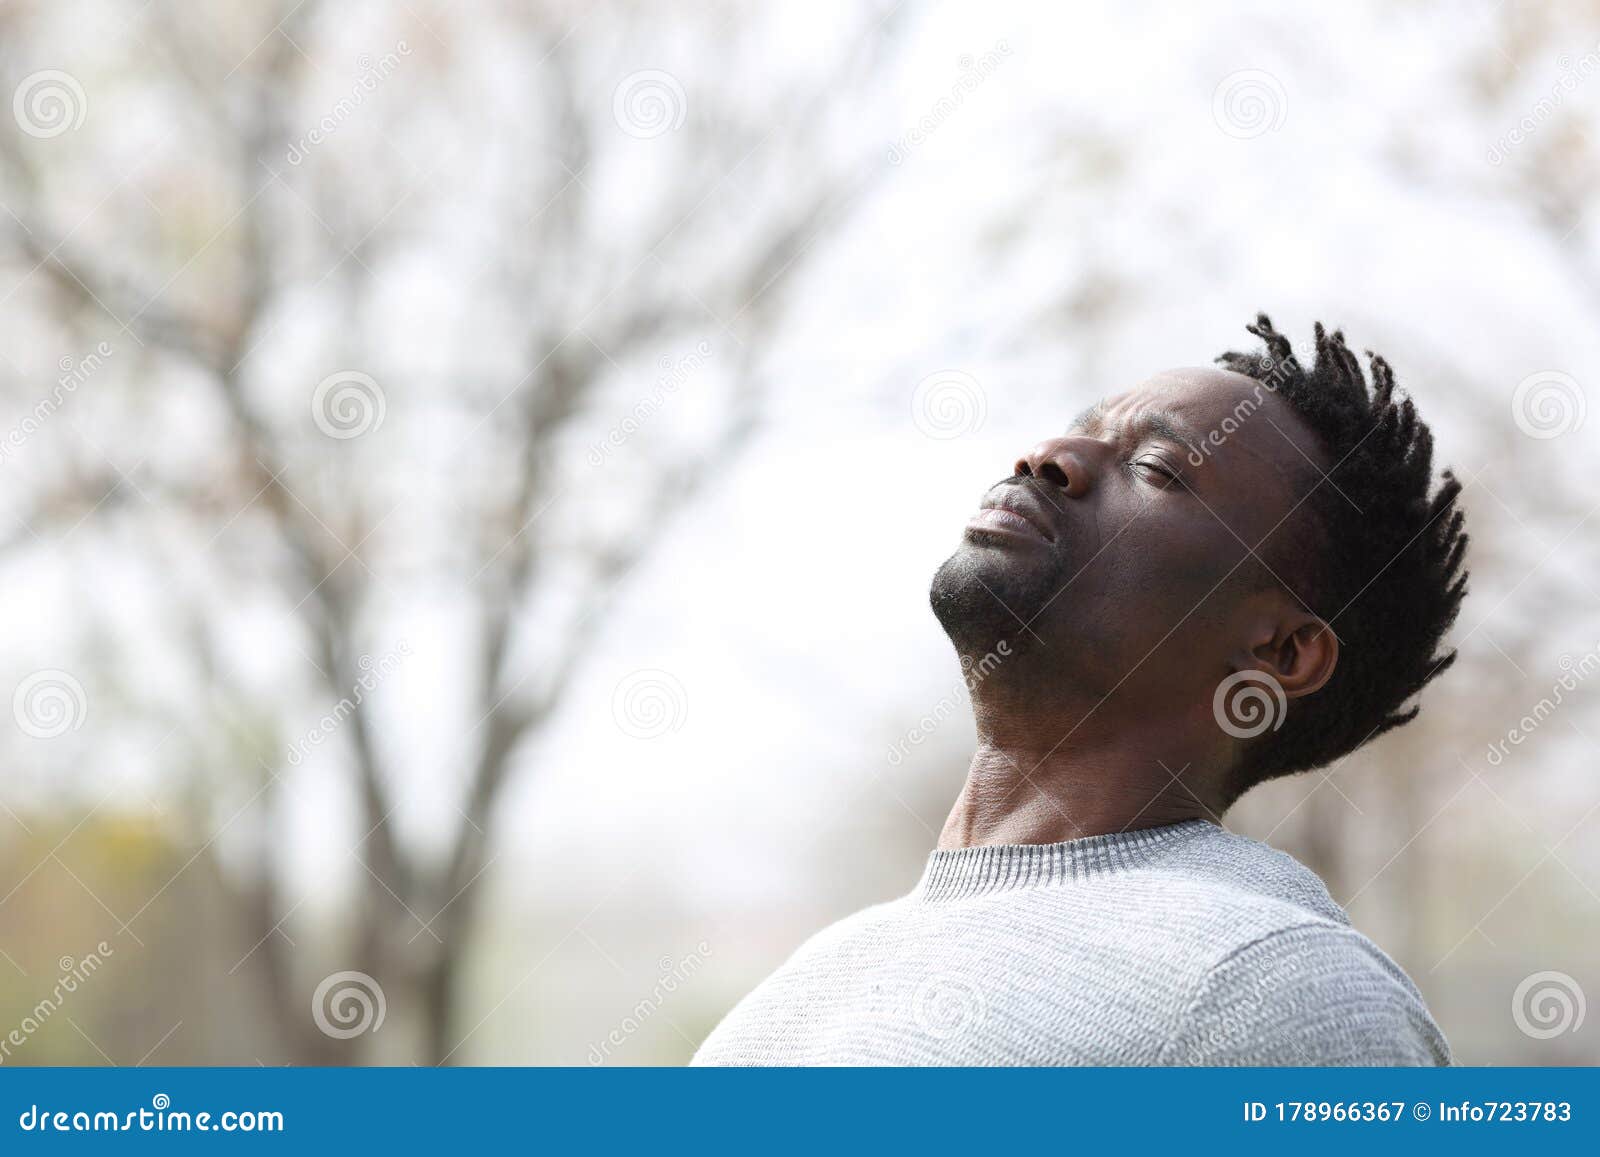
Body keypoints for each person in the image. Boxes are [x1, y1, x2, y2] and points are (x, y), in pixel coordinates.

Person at [693, 315, 1468, 1066]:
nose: (1047, 455)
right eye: (1077, 428)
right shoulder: (788, 1002)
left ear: (1278, 650)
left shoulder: (1277, 989)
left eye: (1158, 467)